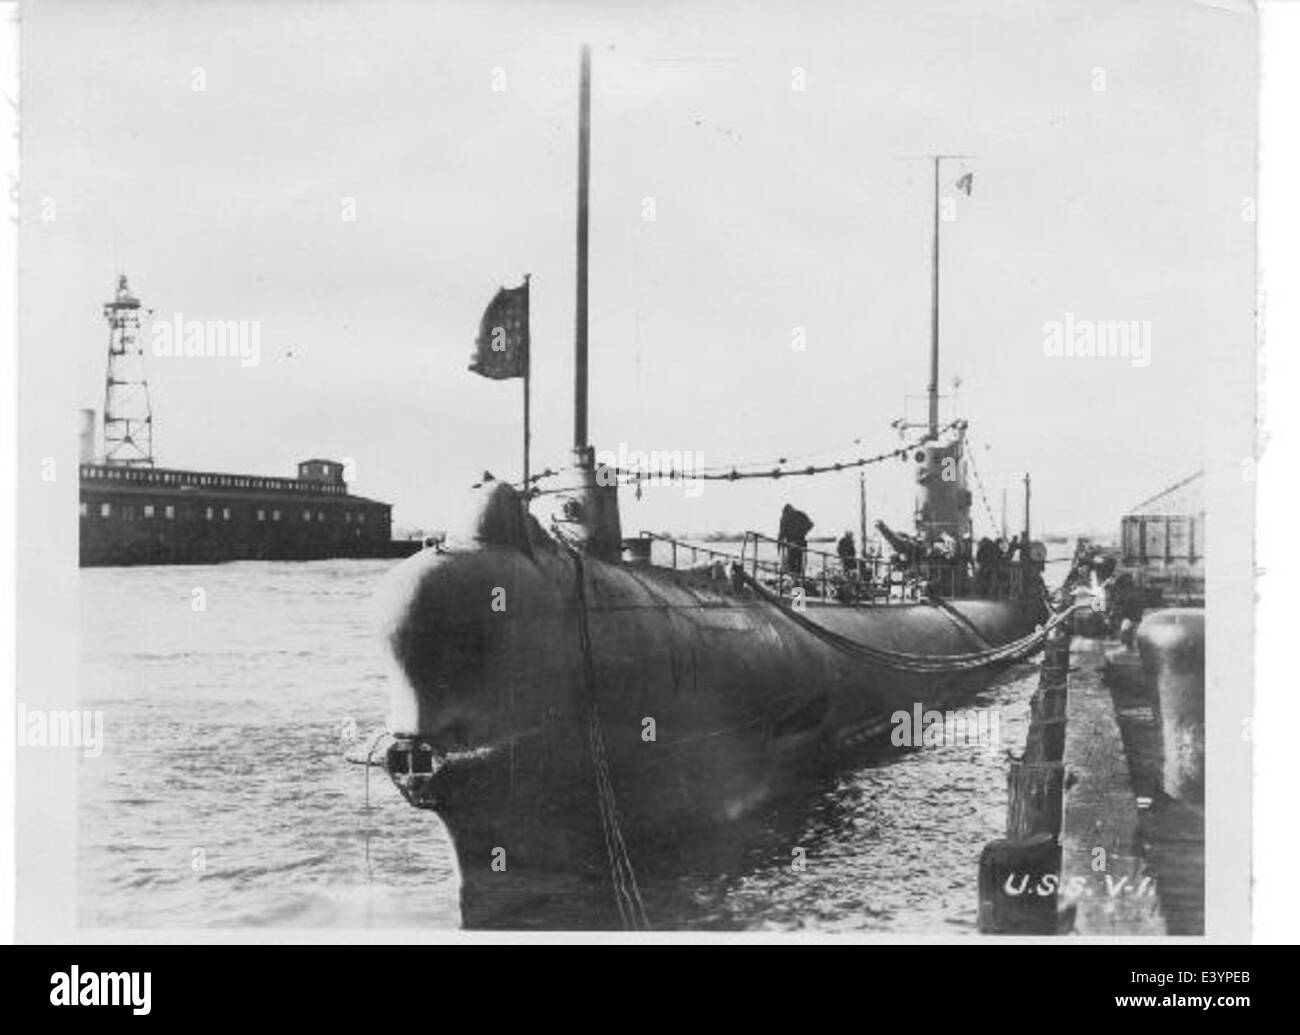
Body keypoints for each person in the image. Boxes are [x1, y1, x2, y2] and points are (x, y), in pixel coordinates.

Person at [779, 504, 814, 576]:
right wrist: (779, 545)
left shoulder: (800, 515)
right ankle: (795, 576)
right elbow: (781, 533)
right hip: (792, 543)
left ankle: (796, 577)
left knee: (797, 562)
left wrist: (801, 532)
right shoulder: (785, 518)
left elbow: (810, 525)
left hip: (798, 542)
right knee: (793, 562)